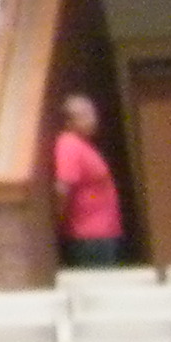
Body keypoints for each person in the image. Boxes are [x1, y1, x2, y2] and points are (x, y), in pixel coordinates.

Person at [51, 93, 125, 269]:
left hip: (103, 234)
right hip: (88, 237)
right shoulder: (69, 145)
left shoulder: (84, 145)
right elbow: (62, 188)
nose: (93, 119)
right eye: (85, 115)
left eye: (93, 114)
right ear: (69, 121)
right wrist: (58, 224)